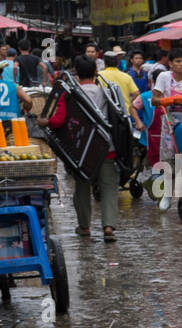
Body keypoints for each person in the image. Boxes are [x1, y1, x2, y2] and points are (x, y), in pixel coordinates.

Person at [38, 55, 121, 242]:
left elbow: (58, 120)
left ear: (75, 73)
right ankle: (108, 227)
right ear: (95, 72)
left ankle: (84, 227)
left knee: (82, 188)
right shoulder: (105, 93)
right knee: (109, 187)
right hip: (106, 148)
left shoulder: (69, 94)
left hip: (81, 151)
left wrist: (44, 122)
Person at [151, 48, 182, 213]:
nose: (181, 64)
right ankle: (166, 194)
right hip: (170, 121)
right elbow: (154, 100)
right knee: (169, 158)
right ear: (170, 63)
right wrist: (170, 99)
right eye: (177, 61)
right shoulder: (164, 77)